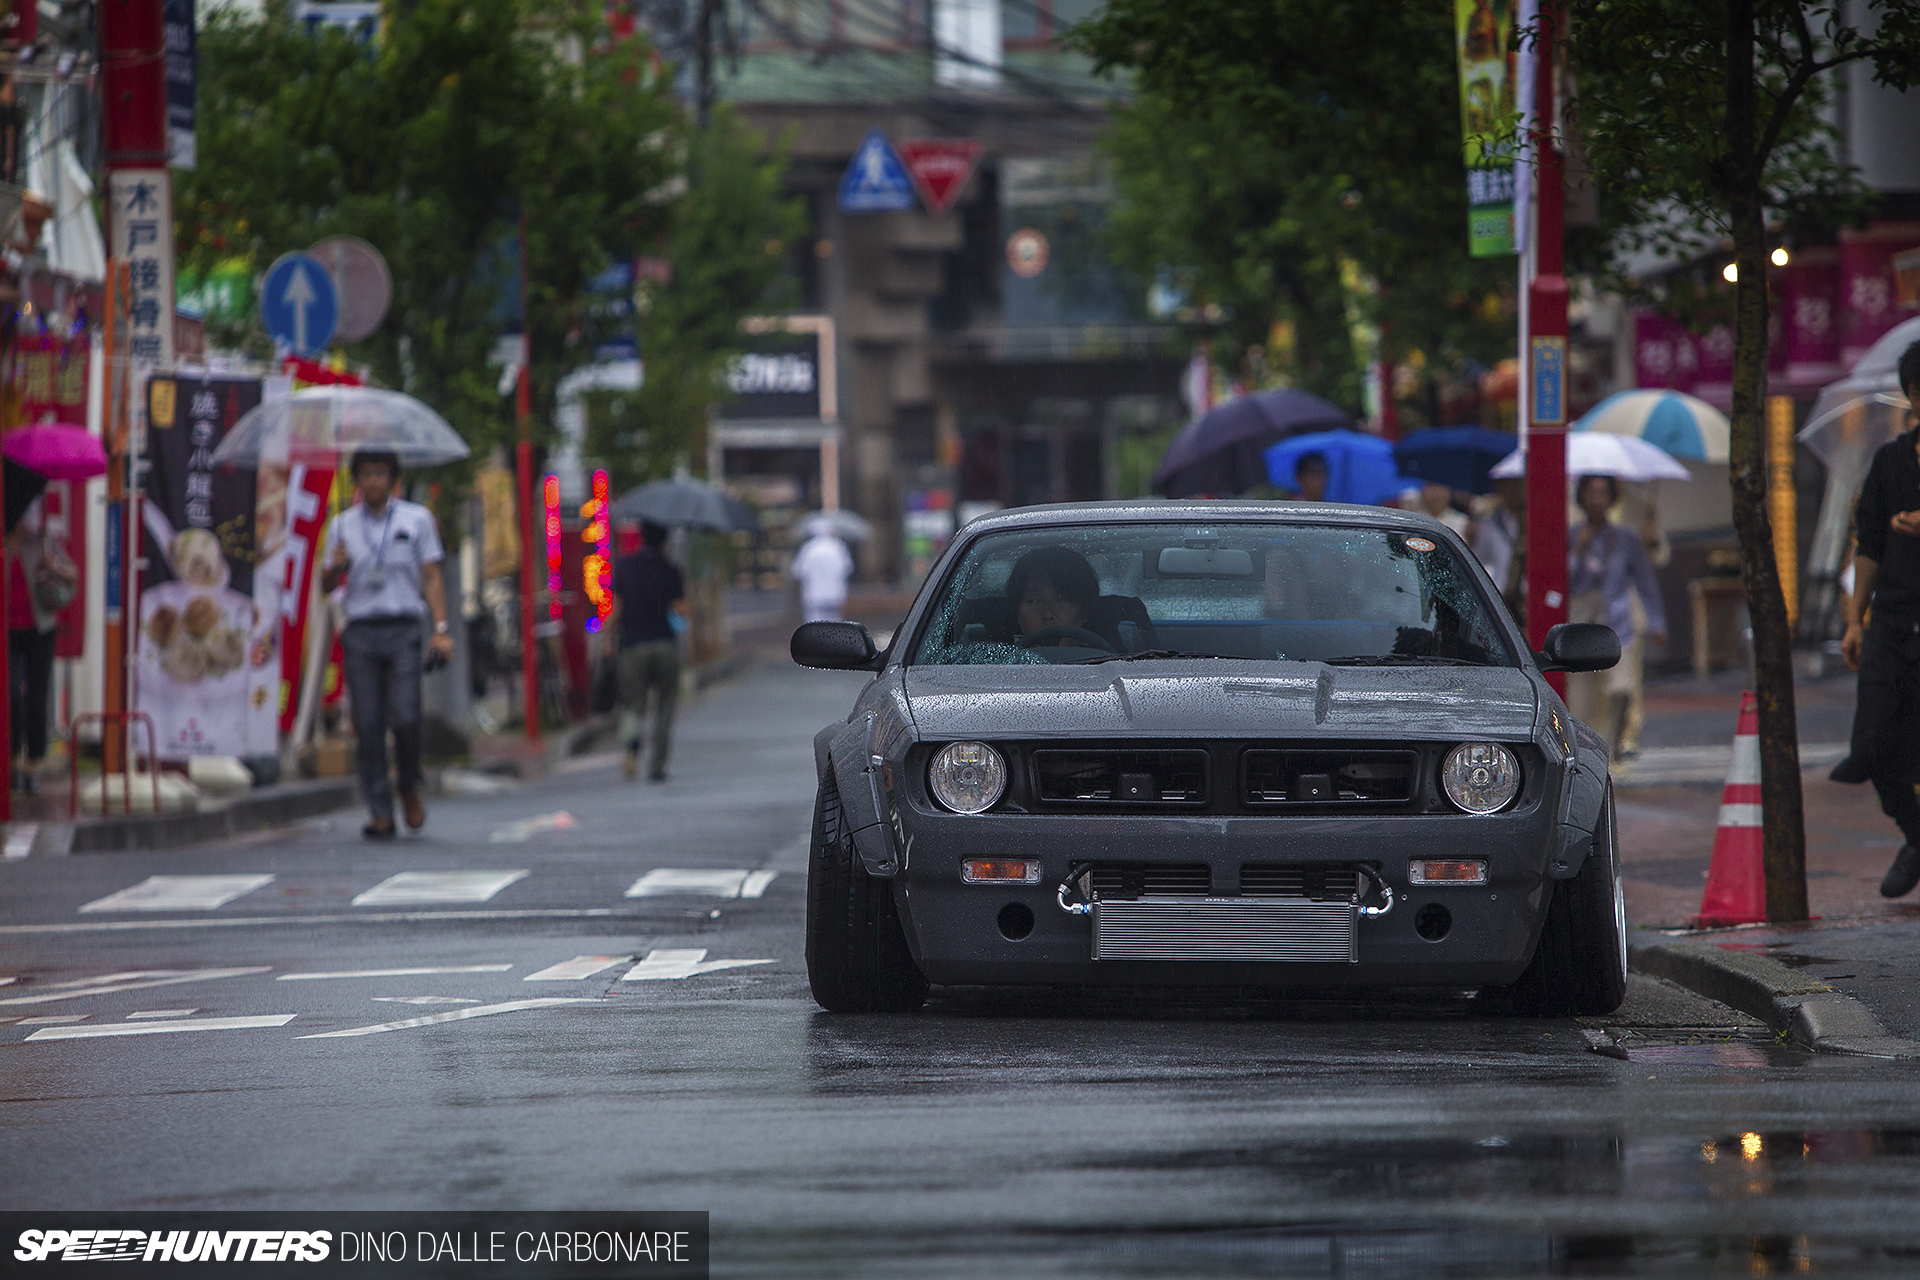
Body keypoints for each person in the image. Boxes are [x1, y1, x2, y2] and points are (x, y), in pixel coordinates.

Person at [321, 451, 453, 839]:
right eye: (366, 474)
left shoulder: (416, 520)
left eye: (381, 473)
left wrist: (441, 628)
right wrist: (335, 566)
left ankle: (409, 784)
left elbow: (431, 576)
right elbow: (325, 587)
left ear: (392, 478)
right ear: (357, 480)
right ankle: (379, 809)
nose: (374, 480)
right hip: (360, 630)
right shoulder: (341, 526)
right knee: (368, 721)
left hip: (403, 628)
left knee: (407, 716)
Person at [1834, 341, 1920, 897]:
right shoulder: (1891, 461)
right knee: (1872, 744)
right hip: (1892, 622)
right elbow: (1868, 543)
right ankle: (1916, 834)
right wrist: (1855, 618)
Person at [1565, 473, 1668, 759]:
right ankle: (1588, 751)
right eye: (1591, 492)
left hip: (1616, 621)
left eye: (1603, 492)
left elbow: (1645, 580)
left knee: (1621, 688)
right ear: (1582, 497)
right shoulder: (1572, 535)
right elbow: (1562, 581)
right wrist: (1578, 550)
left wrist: (1657, 620)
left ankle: (1616, 738)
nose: (1597, 499)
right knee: (1582, 697)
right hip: (1582, 622)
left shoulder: (1625, 537)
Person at [609, 520, 686, 782]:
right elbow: (681, 611)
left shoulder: (625, 566)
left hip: (633, 645)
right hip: (664, 643)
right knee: (665, 705)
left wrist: (608, 639)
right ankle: (657, 765)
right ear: (664, 540)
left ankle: (631, 743)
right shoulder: (671, 570)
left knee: (633, 703)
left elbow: (616, 607)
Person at [7, 499, 75, 792]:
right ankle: (11, 762)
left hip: (41, 627)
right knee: (9, 695)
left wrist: (54, 565)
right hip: (6, 629)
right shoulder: (5, 543)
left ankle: (33, 763)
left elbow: (73, 572)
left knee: (37, 696)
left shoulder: (41, 541)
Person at [1006, 546, 1101, 639]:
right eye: (1033, 601)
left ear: (1084, 613)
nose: (1047, 614)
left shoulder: (1112, 654)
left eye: (1061, 599)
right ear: (1018, 613)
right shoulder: (998, 654)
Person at [790, 522, 854, 622]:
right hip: (835, 593)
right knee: (835, 623)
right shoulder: (838, 547)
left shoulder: (808, 548)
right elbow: (847, 569)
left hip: (814, 594)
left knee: (814, 623)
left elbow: (798, 572)